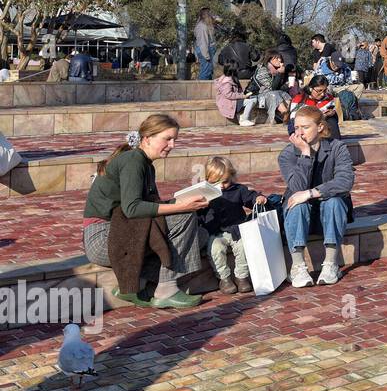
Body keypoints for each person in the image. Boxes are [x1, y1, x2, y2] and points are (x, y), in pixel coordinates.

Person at [81, 114, 212, 308]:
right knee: (185, 217)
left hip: (123, 232)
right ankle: (165, 289)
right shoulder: (133, 161)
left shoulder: (145, 164)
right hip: (102, 240)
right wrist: (180, 206)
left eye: (175, 139)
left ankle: (136, 282)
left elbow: (145, 208)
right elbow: (133, 208)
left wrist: (180, 200)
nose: (173, 145)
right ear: (147, 138)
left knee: (199, 236)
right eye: (167, 139)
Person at [278, 104, 355, 288]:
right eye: (296, 127)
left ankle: (330, 264)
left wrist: (311, 193)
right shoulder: (287, 154)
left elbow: (345, 181)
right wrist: (305, 154)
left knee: (335, 201)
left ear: (320, 127)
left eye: (305, 127)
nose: (299, 132)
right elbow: (296, 187)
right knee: (297, 203)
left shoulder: (337, 148)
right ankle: (297, 266)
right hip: (300, 215)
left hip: (329, 212)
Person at [200, 156, 265, 295]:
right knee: (216, 248)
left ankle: (242, 277)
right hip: (215, 232)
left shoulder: (238, 190)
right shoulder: (205, 194)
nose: (221, 186)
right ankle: (224, 278)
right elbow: (199, 214)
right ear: (207, 180)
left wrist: (257, 198)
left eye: (225, 182)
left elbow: (250, 197)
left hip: (236, 230)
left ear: (232, 176)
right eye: (215, 183)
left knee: (242, 247)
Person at [239, 51, 291, 126]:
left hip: (267, 94)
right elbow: (272, 88)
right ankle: (285, 113)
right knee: (274, 94)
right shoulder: (262, 70)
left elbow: (280, 87)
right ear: (269, 60)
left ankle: (290, 113)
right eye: (276, 58)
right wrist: (279, 74)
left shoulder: (276, 70)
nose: (280, 60)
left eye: (280, 58)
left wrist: (283, 75)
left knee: (283, 93)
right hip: (256, 95)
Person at [289, 74, 343, 139]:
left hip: (322, 126)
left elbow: (332, 111)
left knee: (332, 119)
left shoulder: (328, 97)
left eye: (325, 90)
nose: (322, 94)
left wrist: (331, 113)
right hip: (305, 126)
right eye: (319, 91)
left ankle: (335, 143)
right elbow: (293, 119)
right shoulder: (300, 99)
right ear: (311, 89)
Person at [194, 8, 218, 81]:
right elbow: (203, 42)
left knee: (208, 71)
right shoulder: (202, 27)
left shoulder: (204, 25)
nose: (211, 17)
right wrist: (206, 55)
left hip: (206, 50)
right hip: (205, 51)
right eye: (210, 15)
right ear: (205, 16)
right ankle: (202, 91)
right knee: (205, 72)